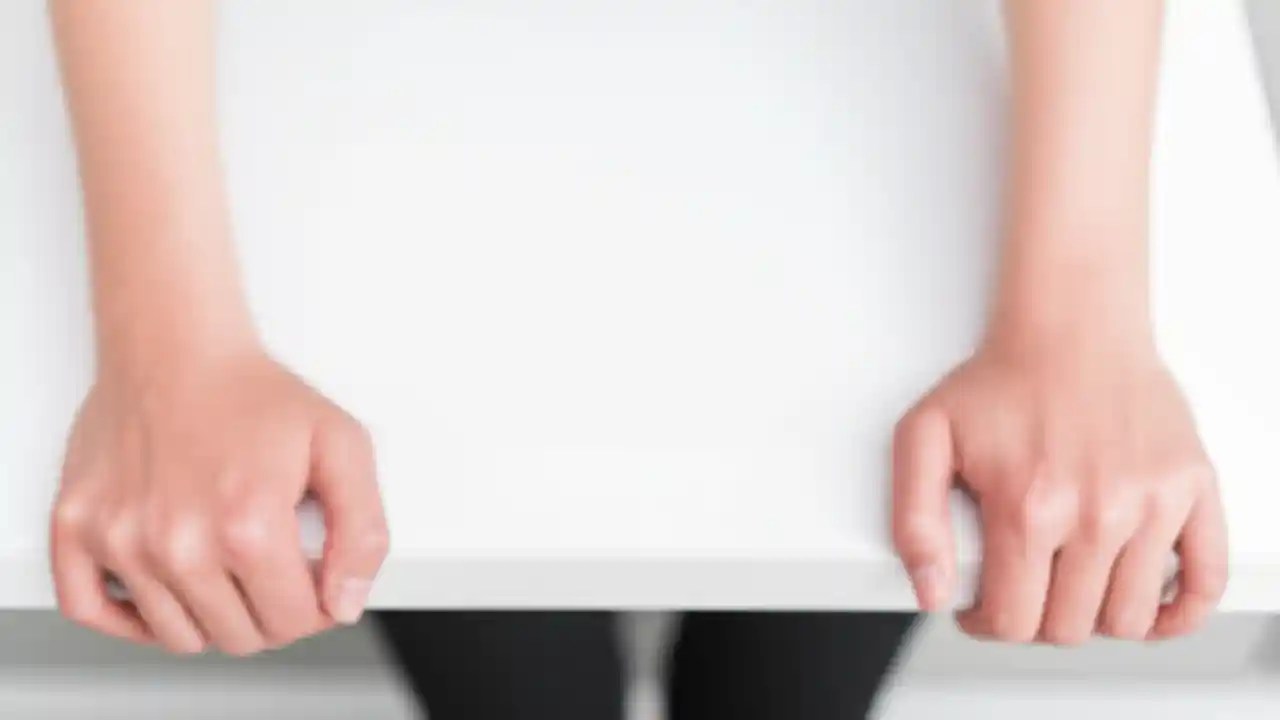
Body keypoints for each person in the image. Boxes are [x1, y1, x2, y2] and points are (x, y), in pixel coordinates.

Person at [45, 0, 1227, 717]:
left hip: (863, 92)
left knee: (817, 623)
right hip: (375, 103)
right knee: (487, 618)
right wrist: (167, 346)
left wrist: (1076, 319)